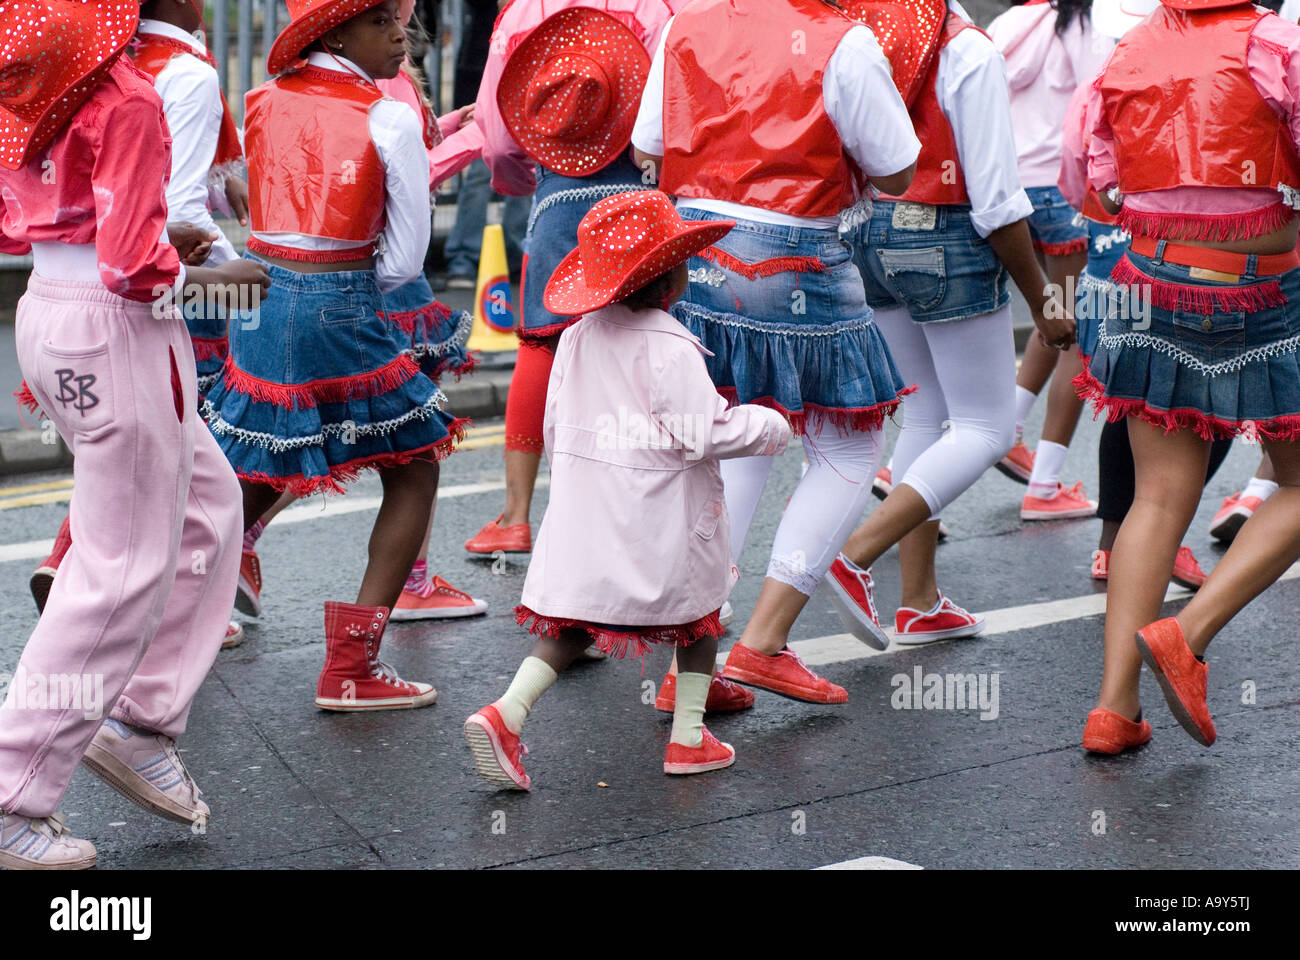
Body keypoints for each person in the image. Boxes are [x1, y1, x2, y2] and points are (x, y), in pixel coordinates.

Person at [0, 0, 269, 868]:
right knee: (116, 570)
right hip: (116, 329)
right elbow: (130, 270)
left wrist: (161, 237)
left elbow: (89, 234)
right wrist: (224, 277)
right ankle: (12, 794)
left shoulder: (40, 82)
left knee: (208, 508)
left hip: (53, 312)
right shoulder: (128, 92)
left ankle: (139, 719)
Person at [634, 0, 921, 704]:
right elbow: (899, 174)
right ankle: (764, 642)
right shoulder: (844, 41)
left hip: (692, 253)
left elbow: (648, 148)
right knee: (851, 448)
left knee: (729, 439)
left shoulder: (684, 24)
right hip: (793, 258)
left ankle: (689, 664)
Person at [464, 191, 791, 789]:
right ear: (669, 276)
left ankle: (506, 712)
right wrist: (770, 425)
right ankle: (689, 738)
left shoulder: (578, 336)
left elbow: (555, 422)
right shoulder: (669, 346)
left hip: (590, 514)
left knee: (577, 622)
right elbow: (704, 431)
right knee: (700, 619)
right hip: (660, 521)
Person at [202, 0, 467, 710]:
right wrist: (343, 285)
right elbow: (404, 259)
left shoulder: (263, 99)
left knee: (261, 460)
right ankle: (351, 666)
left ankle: (170, 620)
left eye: (400, 21)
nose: (401, 37)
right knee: (414, 466)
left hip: (257, 297)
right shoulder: (390, 116)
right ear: (336, 31)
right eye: (382, 22)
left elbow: (250, 203)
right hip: (340, 296)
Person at [1077, 0, 1300, 753]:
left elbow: (1088, 174)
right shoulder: (1277, 42)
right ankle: (1189, 633)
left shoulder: (1129, 47)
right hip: (1262, 285)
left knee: (1156, 497)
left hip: (1147, 275)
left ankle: (1113, 710)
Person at [826, 0, 1073, 649]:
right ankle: (853, 554)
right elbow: (996, 200)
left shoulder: (856, 35)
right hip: (944, 239)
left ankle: (918, 601)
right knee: (988, 427)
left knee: (930, 417)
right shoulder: (966, 48)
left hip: (868, 234)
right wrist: (1042, 297)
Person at [464, 0, 679, 561]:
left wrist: (518, 180)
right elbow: (672, 111)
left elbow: (501, 138)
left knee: (541, 345)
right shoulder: (656, 9)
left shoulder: (517, 14)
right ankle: (644, 514)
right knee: (648, 345)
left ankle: (515, 517)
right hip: (640, 192)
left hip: (559, 192)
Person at [987, 0, 1107, 520]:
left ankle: (1006, 434)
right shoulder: (1084, 23)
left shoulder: (1007, 22)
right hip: (1064, 193)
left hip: (1011, 193)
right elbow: (1097, 103)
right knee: (1078, 333)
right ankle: (1045, 485)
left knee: (1050, 315)